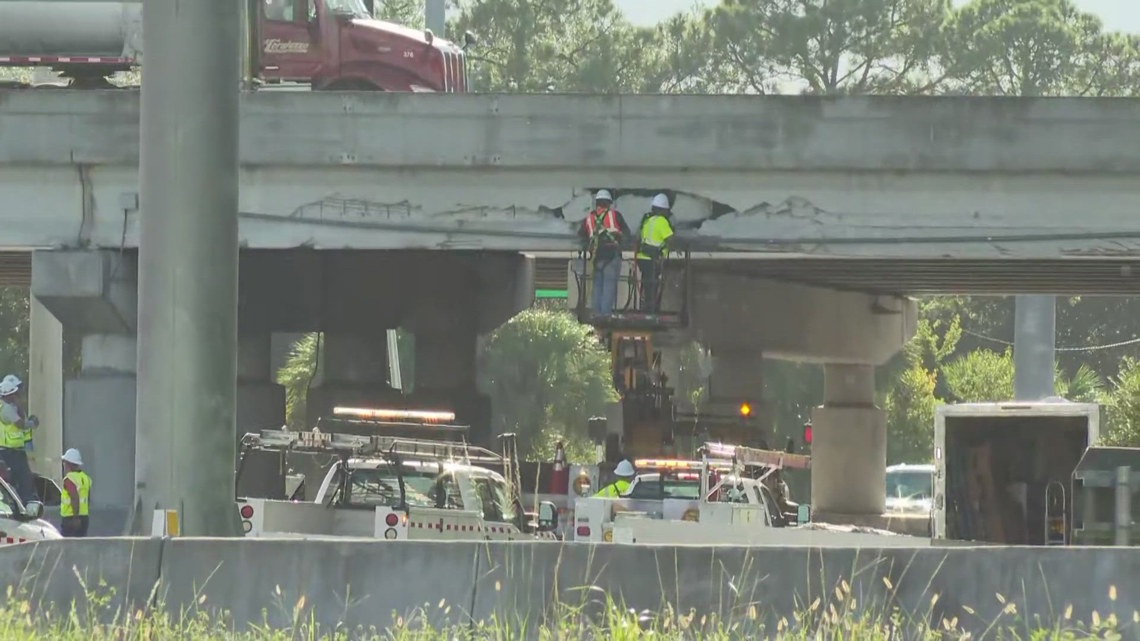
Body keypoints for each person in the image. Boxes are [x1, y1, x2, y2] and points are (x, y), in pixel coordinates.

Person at [578, 189, 631, 316]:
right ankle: (605, 316)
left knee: (597, 287)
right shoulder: (615, 215)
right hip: (612, 255)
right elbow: (627, 233)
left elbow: (581, 236)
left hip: (597, 257)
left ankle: (596, 315)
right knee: (609, 286)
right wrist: (621, 240)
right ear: (609, 203)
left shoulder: (589, 219)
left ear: (596, 203)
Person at [634, 194, 675, 313]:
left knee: (647, 284)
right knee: (653, 285)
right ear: (663, 209)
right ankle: (651, 310)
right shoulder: (662, 221)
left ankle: (644, 307)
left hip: (643, 257)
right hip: (653, 258)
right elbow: (670, 239)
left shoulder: (648, 220)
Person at [0, 375, 38, 503]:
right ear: (10, 393)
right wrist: (33, 423)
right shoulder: (6, 408)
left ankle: (21, 503)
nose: (19, 394)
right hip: (8, 453)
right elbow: (20, 424)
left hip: (15, 451)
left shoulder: (12, 407)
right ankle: (24, 504)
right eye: (17, 392)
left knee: (22, 480)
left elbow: (23, 426)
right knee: (23, 480)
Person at [60, 448, 91, 538]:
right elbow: (87, 499)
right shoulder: (86, 478)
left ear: (69, 464)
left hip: (71, 518)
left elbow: (74, 498)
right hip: (84, 517)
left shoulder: (69, 479)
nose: (64, 465)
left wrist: (75, 518)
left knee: (67, 548)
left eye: (64, 463)